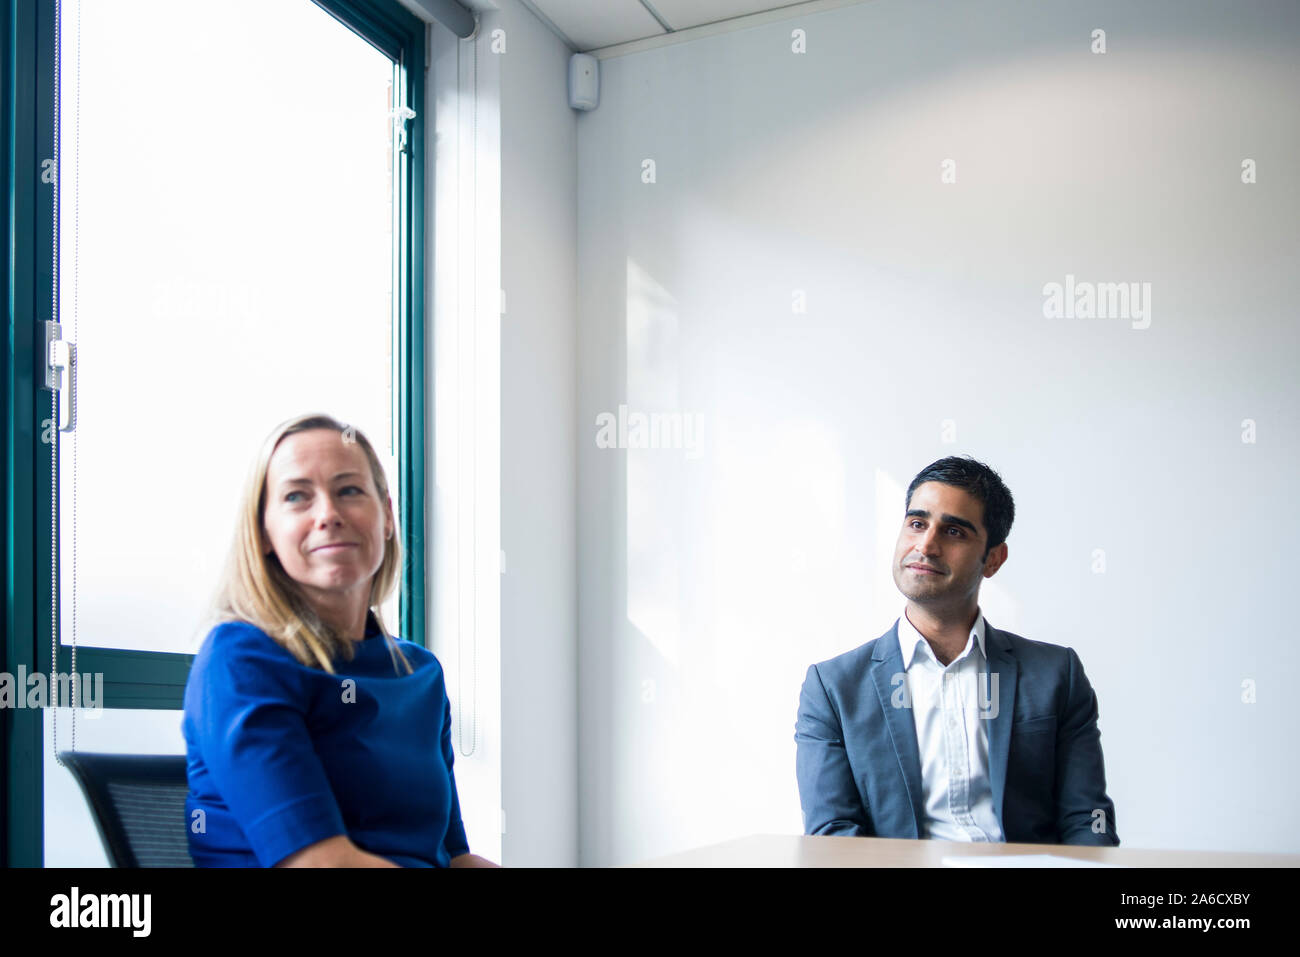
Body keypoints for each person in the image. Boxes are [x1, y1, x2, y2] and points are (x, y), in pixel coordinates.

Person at [183, 413, 496, 867]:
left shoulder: (419, 672)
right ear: (264, 533)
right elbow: (321, 865)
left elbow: (452, 857)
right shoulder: (241, 660)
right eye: (296, 497)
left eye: (349, 490)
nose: (327, 515)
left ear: (387, 516)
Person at [795, 455, 1119, 846]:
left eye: (954, 532)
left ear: (994, 559)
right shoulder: (833, 688)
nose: (926, 545)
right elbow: (833, 834)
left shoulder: (1056, 674)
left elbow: (1089, 818)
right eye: (917, 524)